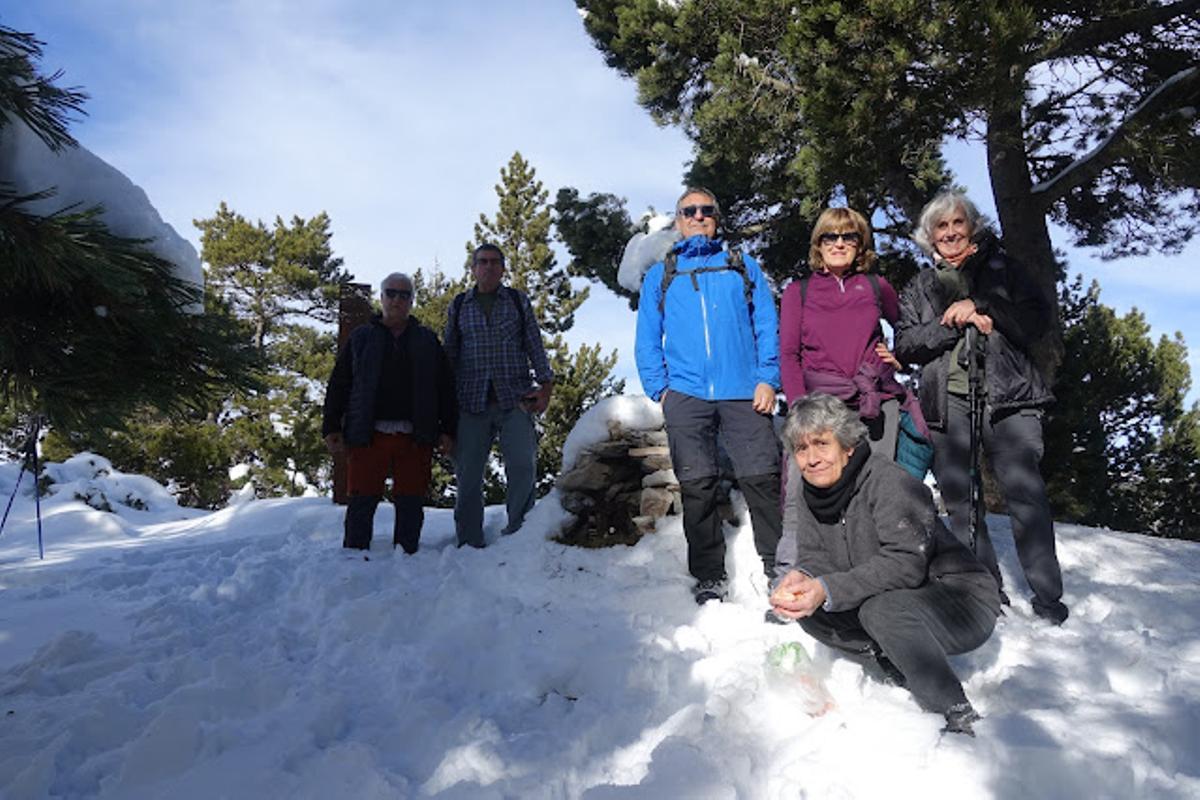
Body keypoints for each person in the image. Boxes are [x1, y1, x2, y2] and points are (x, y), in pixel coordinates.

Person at [770, 393, 1000, 735]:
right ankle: (897, 666)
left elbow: (907, 563)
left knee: (882, 611)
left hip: (962, 601)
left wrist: (828, 588)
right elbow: (816, 555)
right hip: (901, 600)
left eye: (821, 444)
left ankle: (955, 713)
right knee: (812, 611)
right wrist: (804, 578)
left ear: (847, 445)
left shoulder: (888, 481)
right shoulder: (810, 493)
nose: (811, 459)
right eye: (801, 449)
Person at [894, 190, 1068, 625]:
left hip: (1010, 400)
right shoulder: (919, 286)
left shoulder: (1004, 268)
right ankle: (985, 588)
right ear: (928, 236)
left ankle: (1048, 598)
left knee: (1026, 497)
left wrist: (983, 304)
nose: (950, 232)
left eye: (958, 223)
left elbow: (1036, 320)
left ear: (971, 227)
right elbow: (906, 344)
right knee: (961, 502)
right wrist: (951, 323)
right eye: (941, 226)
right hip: (946, 403)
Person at [635, 187, 783, 604]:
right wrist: (661, 389)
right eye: (689, 211)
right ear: (678, 221)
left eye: (706, 210)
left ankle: (780, 569)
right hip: (686, 394)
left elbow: (767, 325)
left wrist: (768, 378)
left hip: (744, 390)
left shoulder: (742, 266)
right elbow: (647, 336)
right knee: (698, 486)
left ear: (716, 217)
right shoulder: (662, 273)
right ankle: (709, 577)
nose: (698, 216)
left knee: (762, 479)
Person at [779, 207, 930, 474]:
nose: (839, 243)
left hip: (876, 404)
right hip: (821, 409)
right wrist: (799, 409)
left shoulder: (877, 286)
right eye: (830, 237)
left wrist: (899, 358)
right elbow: (790, 356)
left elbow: (908, 332)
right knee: (826, 489)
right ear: (818, 244)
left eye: (849, 237)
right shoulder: (797, 292)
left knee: (874, 485)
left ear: (860, 245)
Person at [322, 273, 457, 554]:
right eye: (391, 293)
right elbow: (340, 383)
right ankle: (353, 561)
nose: (397, 300)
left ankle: (407, 560)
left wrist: (448, 430)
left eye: (404, 295)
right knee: (362, 499)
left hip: (415, 434)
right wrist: (331, 426)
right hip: (368, 433)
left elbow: (445, 387)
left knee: (411, 500)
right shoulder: (361, 338)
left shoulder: (427, 340)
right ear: (381, 298)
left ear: (411, 301)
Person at [444, 243, 554, 548]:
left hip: (514, 398)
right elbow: (449, 354)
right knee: (468, 475)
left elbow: (534, 344)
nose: (489, 267)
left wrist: (545, 387)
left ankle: (519, 535)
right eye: (482, 262)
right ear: (473, 268)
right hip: (471, 402)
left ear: (503, 268)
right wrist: (444, 406)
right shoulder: (460, 305)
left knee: (522, 467)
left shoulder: (517, 302)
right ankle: (468, 540)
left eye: (495, 262)